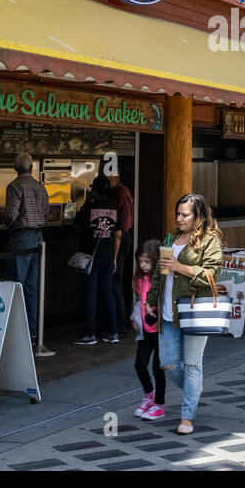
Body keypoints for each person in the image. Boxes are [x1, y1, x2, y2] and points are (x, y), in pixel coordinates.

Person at [144, 193, 224, 436]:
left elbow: (213, 274)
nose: (179, 218)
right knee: (166, 362)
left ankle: (187, 417)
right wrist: (150, 299)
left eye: (185, 214)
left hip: (194, 311)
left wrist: (180, 267)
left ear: (198, 215)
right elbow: (160, 273)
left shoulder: (210, 241)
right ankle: (194, 386)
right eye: (178, 213)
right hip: (168, 312)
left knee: (191, 364)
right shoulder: (171, 237)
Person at [1, 153, 49, 341]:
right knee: (31, 286)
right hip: (38, 238)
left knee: (16, 284)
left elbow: (11, 214)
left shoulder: (14, 186)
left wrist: (2, 219)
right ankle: (32, 329)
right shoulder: (40, 187)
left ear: (15, 169)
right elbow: (46, 214)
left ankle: (16, 331)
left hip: (21, 238)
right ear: (31, 168)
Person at [73, 178, 122, 345]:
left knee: (90, 293)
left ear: (94, 190)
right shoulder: (115, 208)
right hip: (108, 256)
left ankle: (89, 333)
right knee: (107, 292)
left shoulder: (89, 208)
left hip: (91, 256)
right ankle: (113, 332)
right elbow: (118, 235)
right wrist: (115, 257)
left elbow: (76, 224)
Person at [130, 239, 166, 421]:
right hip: (145, 330)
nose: (142, 265)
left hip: (160, 330)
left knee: (158, 368)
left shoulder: (161, 280)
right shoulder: (139, 279)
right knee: (139, 365)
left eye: (147, 261)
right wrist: (135, 319)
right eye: (140, 261)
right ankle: (149, 395)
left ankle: (159, 404)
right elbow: (139, 301)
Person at [109, 172, 136, 322]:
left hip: (120, 239)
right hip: (122, 237)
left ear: (116, 178)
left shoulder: (121, 194)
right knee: (115, 281)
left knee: (115, 282)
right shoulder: (119, 193)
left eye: (109, 179)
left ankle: (119, 322)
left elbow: (121, 229)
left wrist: (114, 255)